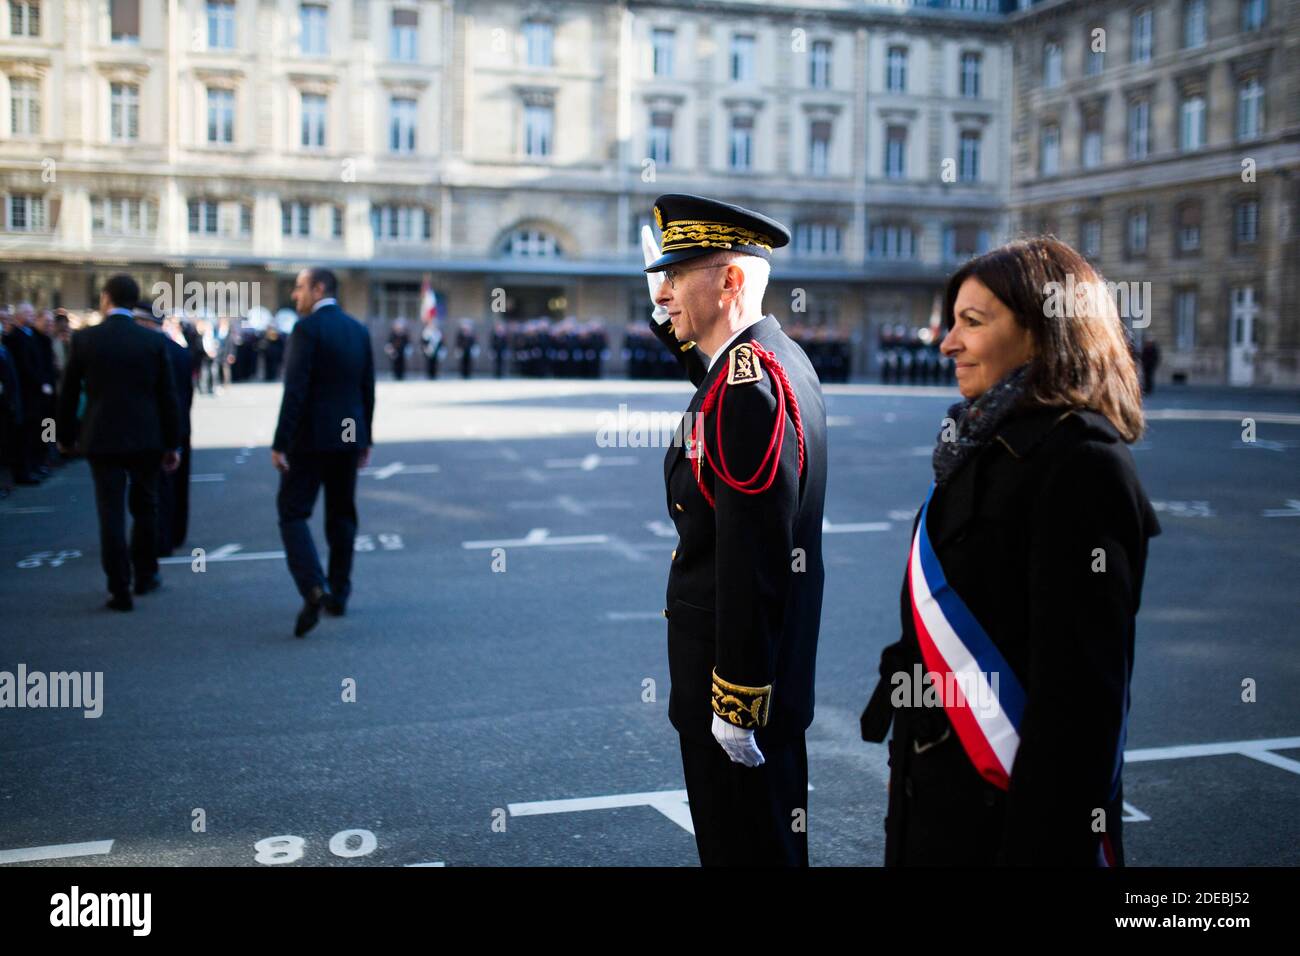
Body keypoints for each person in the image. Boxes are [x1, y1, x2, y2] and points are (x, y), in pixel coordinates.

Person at [859, 237, 1161, 866]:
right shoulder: (980, 443)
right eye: (951, 324)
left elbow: (1080, 710)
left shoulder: (1082, 463)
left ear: (1045, 331)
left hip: (1008, 829)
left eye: (972, 323)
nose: (947, 343)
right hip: (936, 805)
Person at [646, 193, 828, 866]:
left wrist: (737, 702)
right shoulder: (766, 359)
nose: (663, 291)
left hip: (739, 693)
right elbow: (697, 352)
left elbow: (753, 558)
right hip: (765, 681)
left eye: (676, 273)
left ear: (728, 279)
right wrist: (670, 302)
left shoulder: (745, 390)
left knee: (749, 855)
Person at [57, 275, 181, 611]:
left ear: (107, 298)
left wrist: (64, 437)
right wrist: (173, 444)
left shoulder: (85, 340)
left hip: (101, 436)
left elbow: (68, 394)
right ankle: (145, 575)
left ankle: (118, 587)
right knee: (145, 508)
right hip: (146, 437)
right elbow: (167, 397)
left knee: (110, 513)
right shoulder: (152, 342)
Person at [271, 268, 375, 638]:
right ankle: (339, 594)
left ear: (318, 289)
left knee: (292, 512)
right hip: (349, 435)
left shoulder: (307, 330)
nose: (295, 296)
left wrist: (280, 442)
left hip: (311, 437)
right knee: (342, 514)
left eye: (299, 288)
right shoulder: (358, 330)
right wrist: (366, 438)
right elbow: (367, 389)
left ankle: (313, 586)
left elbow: (295, 390)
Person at [132, 306, 194, 556]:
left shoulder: (145, 351)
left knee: (153, 488)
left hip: (154, 427)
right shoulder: (179, 352)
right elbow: (187, 393)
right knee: (177, 486)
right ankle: (175, 533)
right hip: (180, 424)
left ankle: (159, 539)